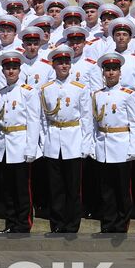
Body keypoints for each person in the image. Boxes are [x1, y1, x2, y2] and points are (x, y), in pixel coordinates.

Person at [40, 46, 92, 235]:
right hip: (54, 140)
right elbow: (43, 119)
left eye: (66, 62)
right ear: (53, 65)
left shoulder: (79, 88)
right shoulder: (46, 89)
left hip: (73, 139)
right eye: (60, 62)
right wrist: (44, 141)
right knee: (55, 187)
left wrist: (86, 144)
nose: (63, 65)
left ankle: (72, 225)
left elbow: (87, 118)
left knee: (73, 188)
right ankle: (57, 224)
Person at [0, 50, 41, 234]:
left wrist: (31, 148)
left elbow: (34, 121)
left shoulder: (28, 92)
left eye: (14, 68)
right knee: (8, 188)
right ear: (3, 71)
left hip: (20, 143)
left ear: (19, 70)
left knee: (22, 188)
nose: (11, 71)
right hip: (5, 144)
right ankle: (10, 222)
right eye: (7, 68)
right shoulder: (1, 93)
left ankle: (23, 223)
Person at [90, 52, 135, 234]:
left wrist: (134, 148)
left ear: (120, 72)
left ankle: (121, 225)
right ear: (103, 73)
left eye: (114, 70)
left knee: (122, 190)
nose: (111, 73)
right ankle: (108, 224)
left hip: (121, 146)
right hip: (103, 145)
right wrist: (92, 145)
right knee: (106, 190)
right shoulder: (97, 95)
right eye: (108, 70)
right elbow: (94, 123)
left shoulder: (128, 95)